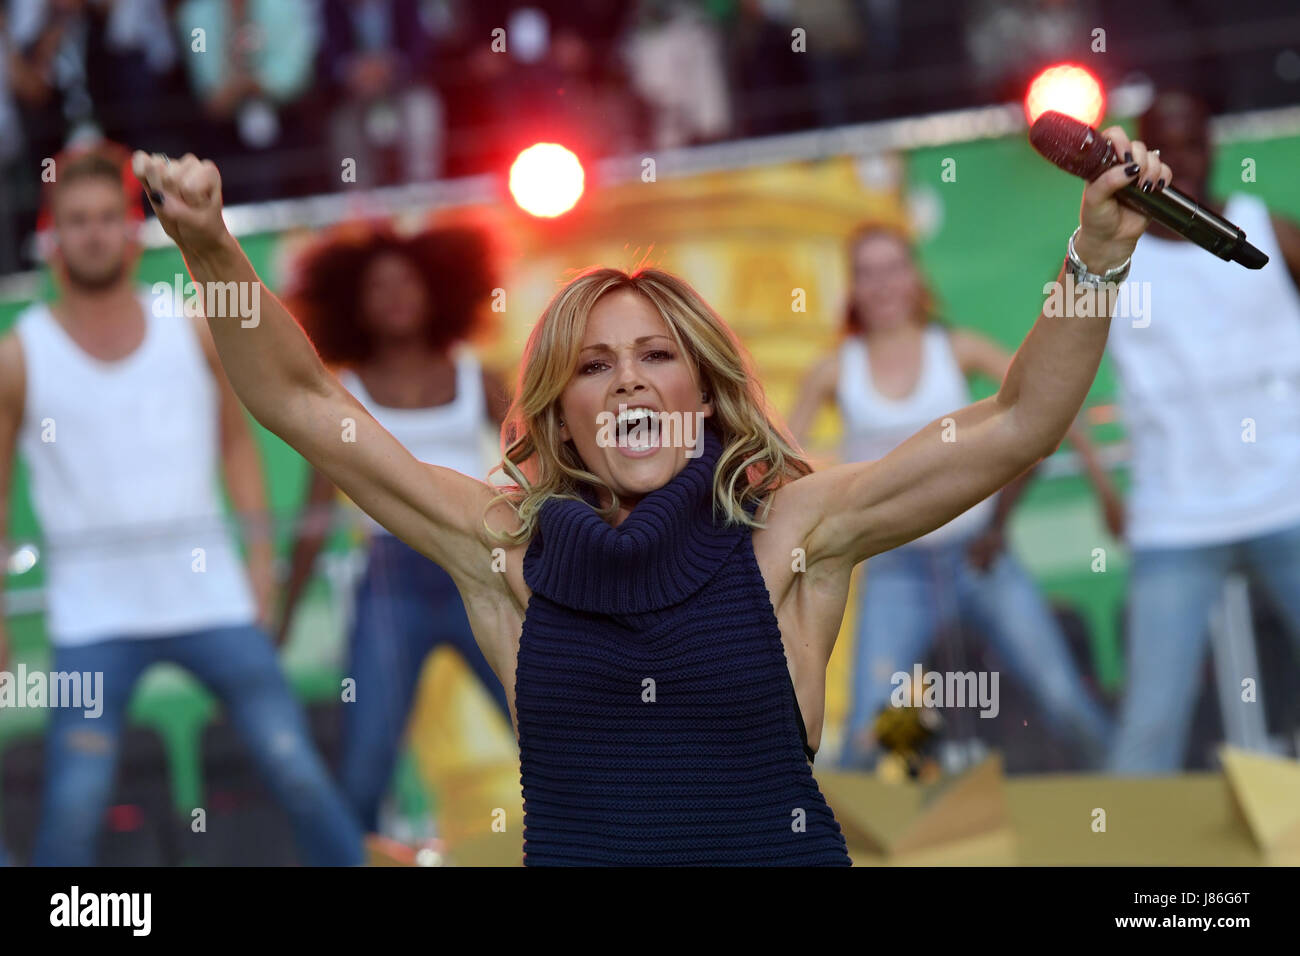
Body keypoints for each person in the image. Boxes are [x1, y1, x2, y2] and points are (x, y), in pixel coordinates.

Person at [130, 128, 1170, 865]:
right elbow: (303, 403)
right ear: (560, 412)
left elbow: (1020, 417)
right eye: (591, 366)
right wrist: (211, 246)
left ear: (703, 391)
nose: (625, 380)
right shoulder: (502, 550)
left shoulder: (795, 529)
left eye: (654, 356)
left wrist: (1096, 256)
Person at [0, 144, 364, 866]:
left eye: (109, 217)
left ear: (134, 229)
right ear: (54, 236)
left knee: (295, 768)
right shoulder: (21, 353)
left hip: (212, 599)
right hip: (93, 616)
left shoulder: (190, 323)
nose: (95, 233)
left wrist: (259, 561)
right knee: (73, 806)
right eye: (78, 220)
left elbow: (238, 444)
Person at [788, 223, 1124, 771]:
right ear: (852, 287)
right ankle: (840, 849)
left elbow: (1051, 400)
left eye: (893, 267)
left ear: (915, 276)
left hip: (978, 556)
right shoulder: (833, 371)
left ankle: (1131, 806)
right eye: (867, 272)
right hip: (894, 566)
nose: (882, 284)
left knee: (1063, 694)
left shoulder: (955, 347)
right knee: (869, 727)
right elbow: (782, 462)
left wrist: (1105, 488)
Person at [276, 223, 513, 834]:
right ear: (354, 304)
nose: (396, 296)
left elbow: (543, 474)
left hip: (480, 572)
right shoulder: (344, 392)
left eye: (408, 283)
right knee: (365, 769)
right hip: (391, 582)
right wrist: (280, 617)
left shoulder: (475, 378)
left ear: (439, 291)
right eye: (378, 287)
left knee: (549, 738)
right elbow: (315, 516)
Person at [1105, 90, 1300, 773]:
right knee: (1149, 726)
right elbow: (1047, 389)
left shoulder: (1269, 230)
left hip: (1289, 501)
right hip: (1175, 521)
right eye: (1166, 146)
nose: (1182, 160)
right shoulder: (1113, 255)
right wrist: (1100, 483)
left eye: (1193, 143)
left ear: (1213, 147)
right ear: (1145, 157)